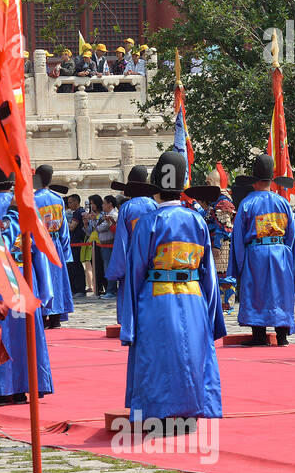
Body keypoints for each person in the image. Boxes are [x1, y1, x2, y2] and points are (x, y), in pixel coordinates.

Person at [120, 153, 226, 420]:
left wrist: (128, 322)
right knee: (192, 354)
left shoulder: (148, 223)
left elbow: (135, 274)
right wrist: (213, 317)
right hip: (192, 296)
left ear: (157, 187)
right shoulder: (198, 221)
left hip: (156, 298)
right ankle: (192, 409)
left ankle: (159, 413)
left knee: (157, 357)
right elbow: (208, 274)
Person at [0, 156, 53, 406]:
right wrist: (45, 291)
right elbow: (40, 249)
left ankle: (0, 387)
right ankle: (27, 384)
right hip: (24, 274)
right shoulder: (26, 205)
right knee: (23, 332)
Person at [227, 155, 295, 346]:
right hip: (280, 252)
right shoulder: (283, 203)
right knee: (280, 292)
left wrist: (240, 265)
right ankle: (282, 335)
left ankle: (258, 334)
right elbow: (292, 234)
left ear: (254, 180)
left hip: (256, 253)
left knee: (256, 291)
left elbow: (238, 237)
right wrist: (293, 262)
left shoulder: (247, 204)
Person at [106, 166, 157, 321]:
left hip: (133, 256)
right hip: (153, 256)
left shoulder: (127, 207)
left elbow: (122, 238)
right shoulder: (154, 205)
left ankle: (129, 321)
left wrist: (118, 268)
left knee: (130, 289)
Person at [32, 165, 74, 328]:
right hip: (55, 243)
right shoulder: (58, 200)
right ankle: (56, 316)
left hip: (39, 244)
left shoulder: (34, 200)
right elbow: (64, 229)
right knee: (57, 280)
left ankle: (42, 315)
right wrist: (66, 251)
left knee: (41, 278)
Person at [200, 164, 237, 311]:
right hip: (213, 244)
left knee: (224, 276)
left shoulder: (223, 202)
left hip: (222, 247)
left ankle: (226, 304)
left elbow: (225, 228)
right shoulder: (215, 202)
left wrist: (217, 245)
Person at [65, 193, 89, 296]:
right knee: (71, 266)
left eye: (70, 202)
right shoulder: (77, 212)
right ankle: (74, 288)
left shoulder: (79, 212)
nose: (69, 205)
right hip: (73, 242)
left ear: (76, 202)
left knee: (76, 266)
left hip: (77, 241)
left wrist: (63, 221)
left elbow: (72, 227)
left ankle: (80, 289)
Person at [96, 195, 120, 297]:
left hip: (110, 245)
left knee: (109, 268)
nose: (102, 205)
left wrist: (98, 226)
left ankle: (111, 290)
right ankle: (110, 290)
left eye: (104, 203)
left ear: (110, 204)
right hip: (104, 245)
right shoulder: (106, 215)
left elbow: (101, 228)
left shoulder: (113, 215)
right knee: (107, 267)